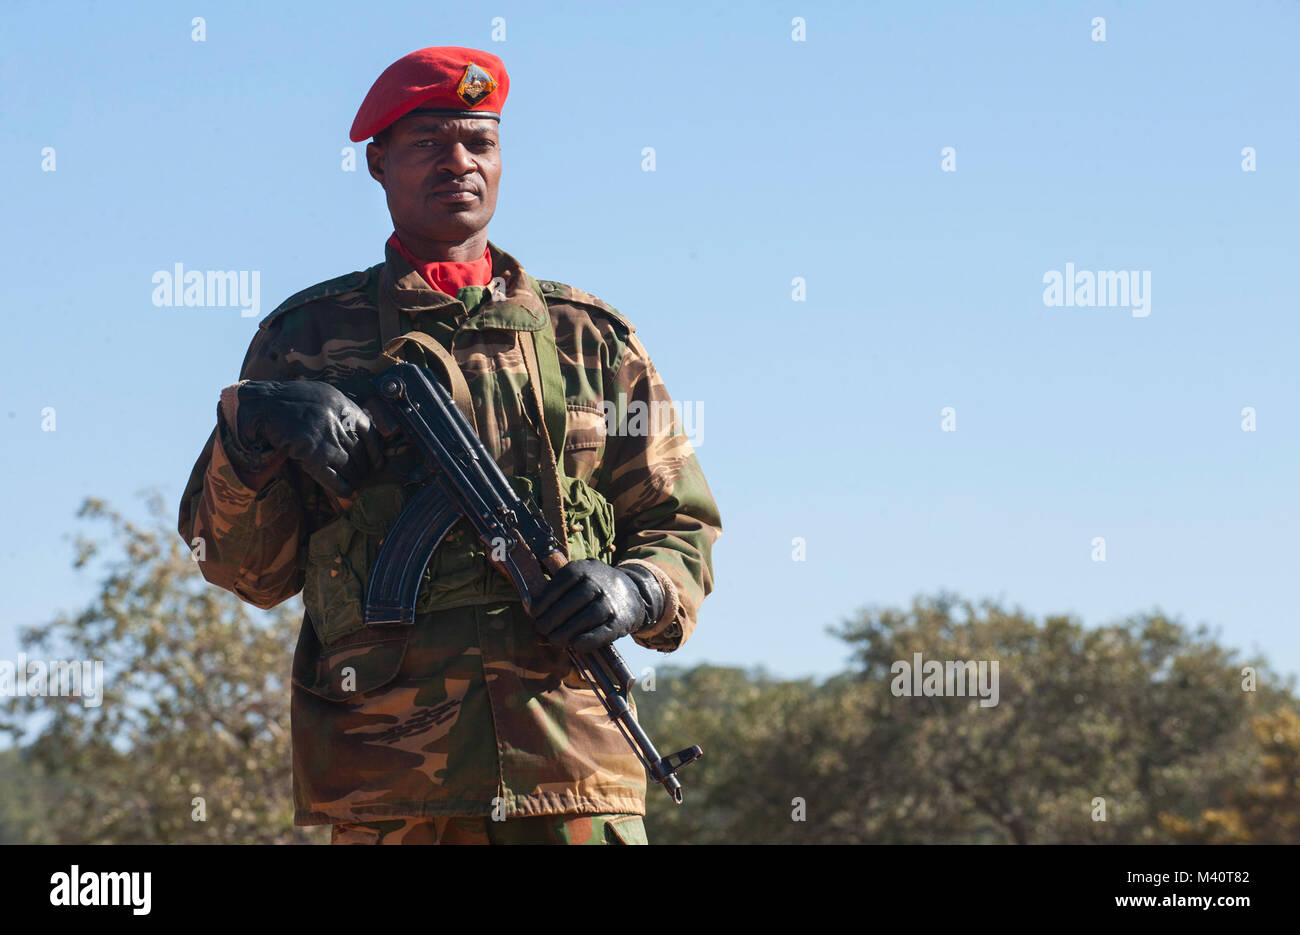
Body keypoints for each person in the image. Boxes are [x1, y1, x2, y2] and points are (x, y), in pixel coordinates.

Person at [176, 46, 721, 845]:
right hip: (390, 788)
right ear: (378, 162)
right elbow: (243, 569)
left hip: (572, 773)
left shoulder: (589, 340)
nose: (460, 162)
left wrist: (635, 591)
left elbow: (682, 523)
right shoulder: (304, 339)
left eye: (480, 141)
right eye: (430, 142)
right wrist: (254, 428)